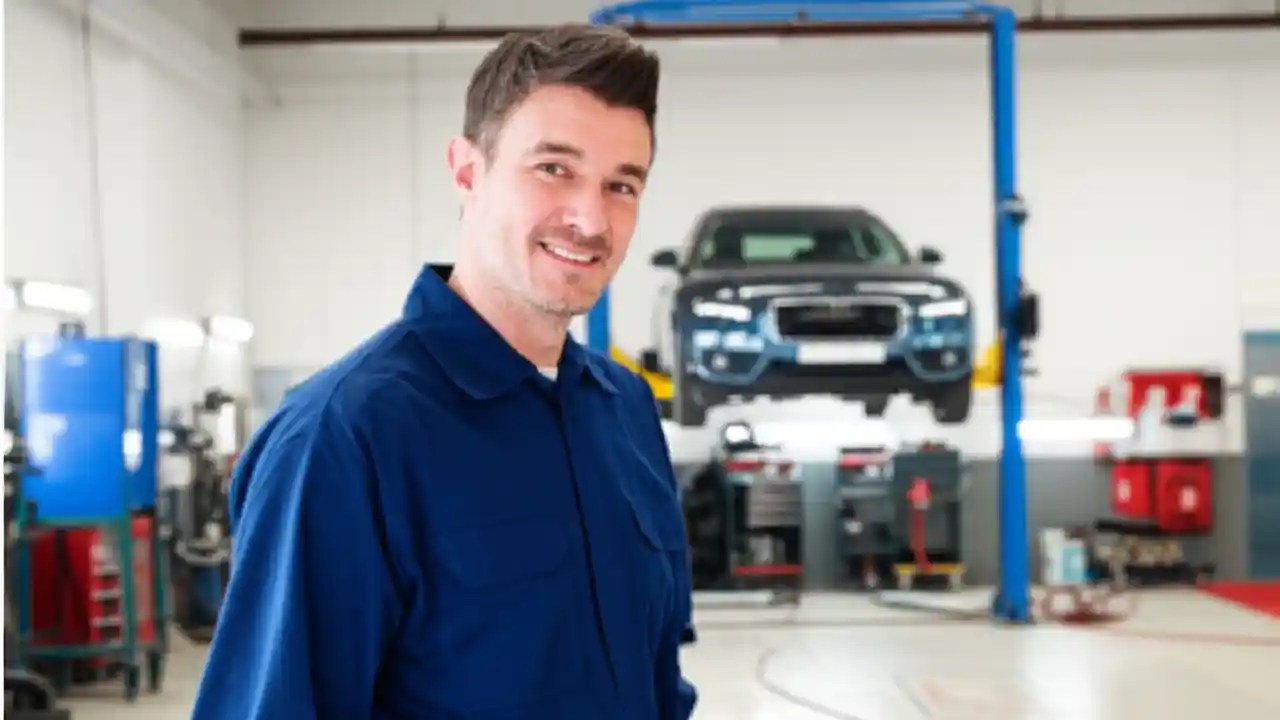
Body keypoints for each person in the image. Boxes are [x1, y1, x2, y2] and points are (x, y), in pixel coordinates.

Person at [191, 24, 697, 720]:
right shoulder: (344, 436)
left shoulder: (625, 410)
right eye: (554, 168)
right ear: (467, 171)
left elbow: (656, 679)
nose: (590, 217)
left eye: (621, 185)